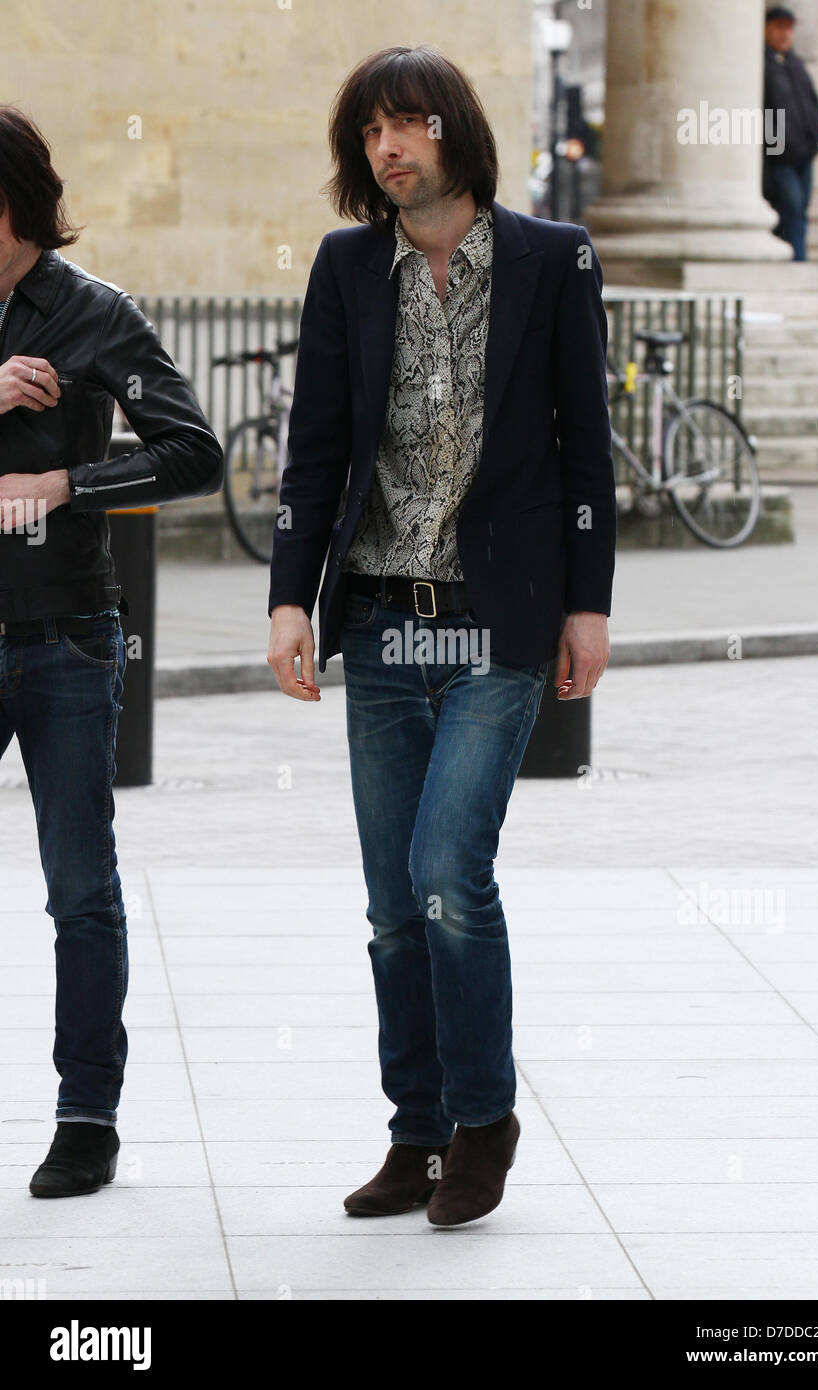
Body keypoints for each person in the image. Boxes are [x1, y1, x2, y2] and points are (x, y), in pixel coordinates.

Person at [267, 45, 616, 1226]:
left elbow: (587, 445)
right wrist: (286, 597)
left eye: (408, 123)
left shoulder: (550, 259)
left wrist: (589, 602)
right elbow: (313, 446)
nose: (387, 147)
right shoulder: (347, 266)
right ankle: (414, 1135)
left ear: (453, 132)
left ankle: (483, 1117)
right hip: (377, 615)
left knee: (445, 876)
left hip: (494, 622)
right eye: (371, 131)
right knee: (388, 901)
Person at [0, 107, 223, 1197]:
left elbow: (195, 454)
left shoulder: (94, 317)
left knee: (79, 890)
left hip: (67, 638)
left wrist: (65, 484)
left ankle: (87, 1115)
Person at [762, 5, 818, 261]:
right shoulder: (764, 64)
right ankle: (797, 263)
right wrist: (775, 147)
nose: (785, 34)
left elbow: (811, 101)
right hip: (781, 157)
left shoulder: (795, 63)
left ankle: (796, 260)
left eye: (789, 28)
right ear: (766, 29)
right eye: (779, 27)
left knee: (799, 212)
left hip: (804, 153)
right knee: (791, 210)